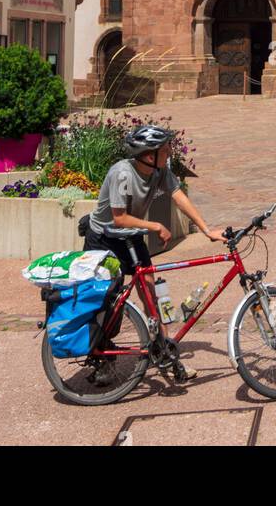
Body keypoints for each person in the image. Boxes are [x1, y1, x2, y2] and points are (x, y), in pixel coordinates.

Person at [84, 124, 224, 384]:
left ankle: (164, 354)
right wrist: (155, 226)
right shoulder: (122, 174)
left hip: (130, 235)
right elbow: (120, 217)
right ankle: (100, 360)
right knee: (104, 302)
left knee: (151, 294)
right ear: (149, 155)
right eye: (166, 148)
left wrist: (207, 230)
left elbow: (178, 196)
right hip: (103, 238)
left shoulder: (159, 171)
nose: (171, 151)